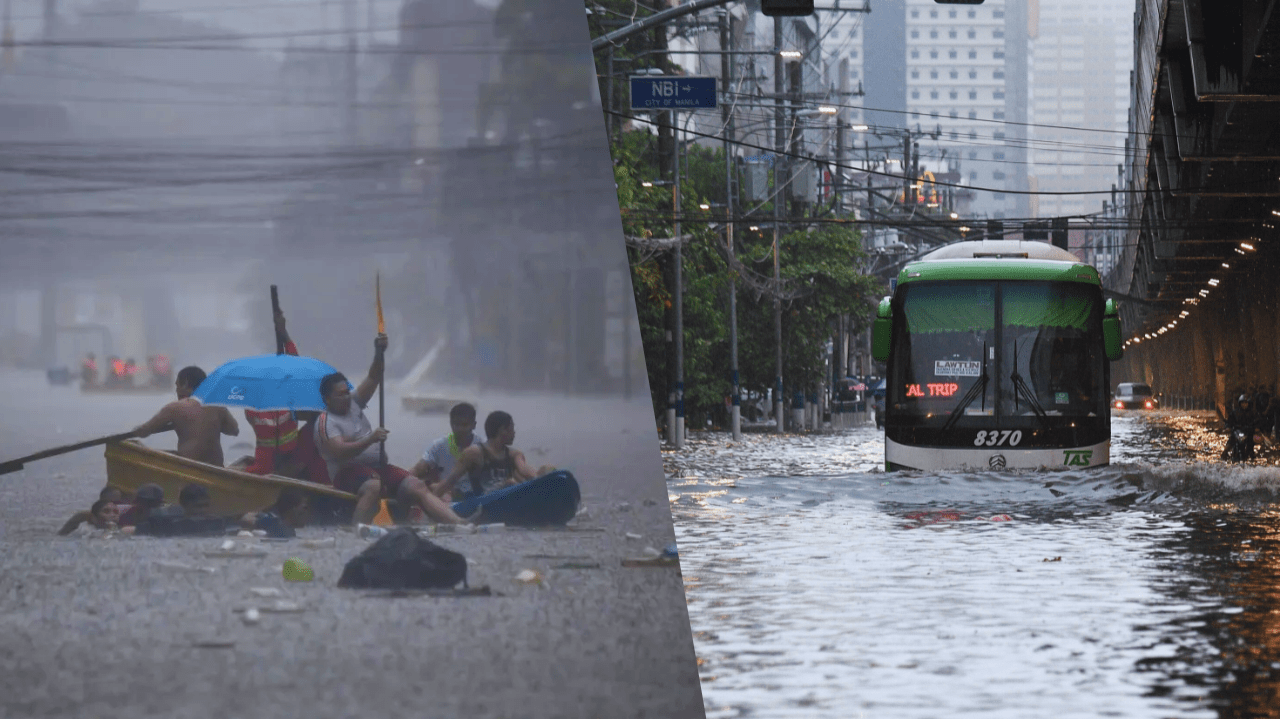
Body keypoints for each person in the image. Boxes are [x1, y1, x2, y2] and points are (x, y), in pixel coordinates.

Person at [314, 333, 470, 526]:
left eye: (347, 392)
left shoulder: (354, 402)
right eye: (341, 395)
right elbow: (339, 452)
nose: (347, 398)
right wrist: (370, 440)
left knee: (417, 485)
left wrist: (379, 352)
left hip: (379, 467)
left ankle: (458, 523)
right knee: (373, 486)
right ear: (327, 399)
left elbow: (374, 377)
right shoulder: (325, 421)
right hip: (347, 473)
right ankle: (357, 530)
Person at [131, 365, 239, 466]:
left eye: (177, 386)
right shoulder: (217, 406)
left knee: (137, 447)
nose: (177, 391)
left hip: (188, 466)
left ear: (186, 384)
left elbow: (144, 431)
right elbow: (234, 430)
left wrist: (137, 430)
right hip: (216, 468)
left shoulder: (174, 408)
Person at [436, 410, 555, 503]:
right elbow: (449, 481)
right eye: (511, 429)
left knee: (545, 469)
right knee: (510, 483)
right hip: (482, 500)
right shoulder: (473, 453)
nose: (514, 433)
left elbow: (524, 469)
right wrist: (430, 501)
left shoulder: (514, 454)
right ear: (501, 431)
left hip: (508, 495)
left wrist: (542, 475)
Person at [412, 402, 479, 501]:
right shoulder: (439, 445)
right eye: (456, 425)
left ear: (474, 425)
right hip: (446, 493)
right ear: (451, 423)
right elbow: (419, 468)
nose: (460, 429)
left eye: (464, 425)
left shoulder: (482, 446)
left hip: (476, 496)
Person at [241, 488, 311, 538]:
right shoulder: (275, 525)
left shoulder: (286, 530)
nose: (307, 513)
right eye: (305, 508)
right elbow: (245, 519)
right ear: (292, 510)